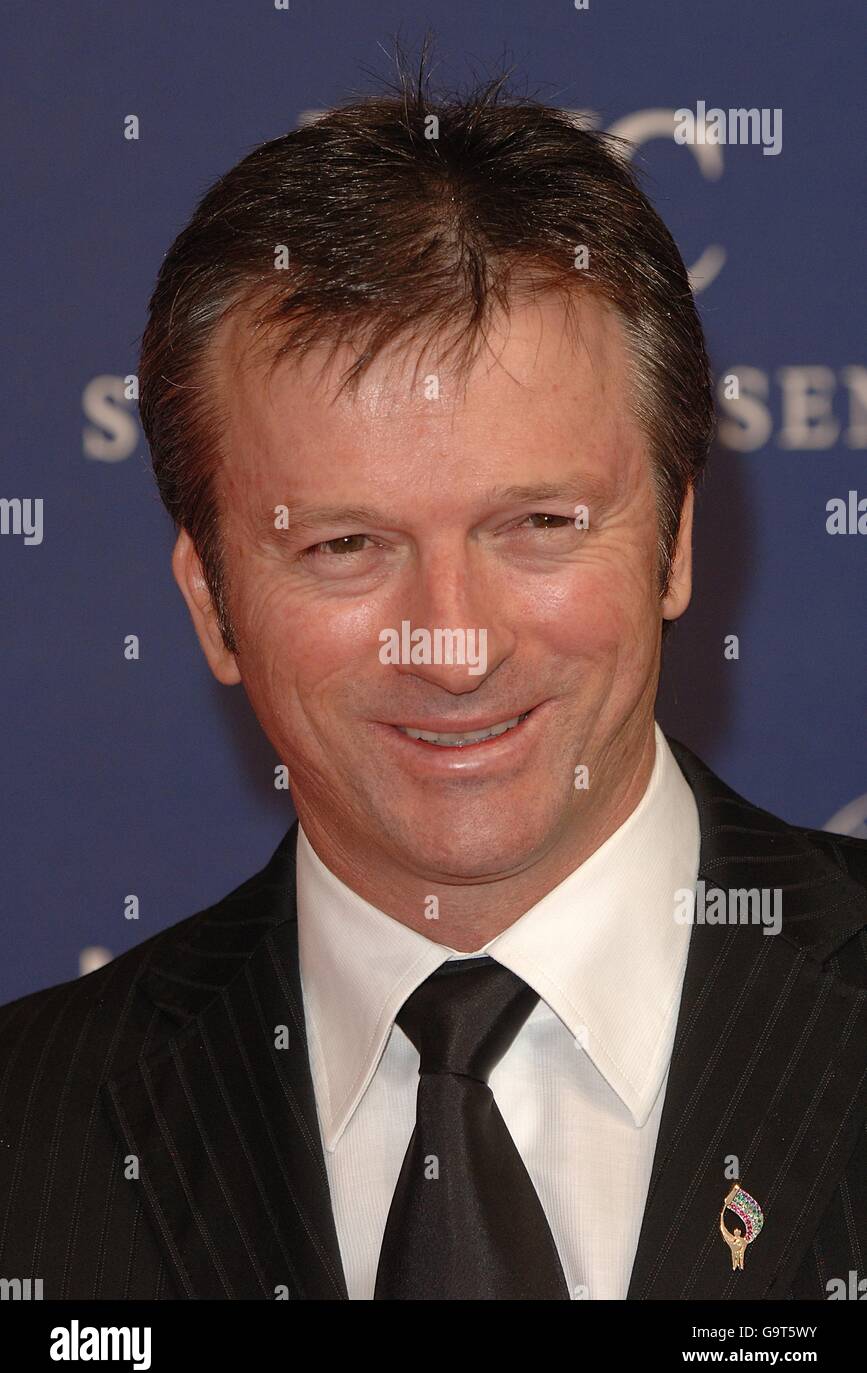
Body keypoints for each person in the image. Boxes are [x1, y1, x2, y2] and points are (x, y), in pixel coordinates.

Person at [1, 67, 865, 1302]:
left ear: (674, 543)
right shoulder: (24, 1137)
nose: (452, 648)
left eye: (539, 524)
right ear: (212, 606)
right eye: (344, 547)